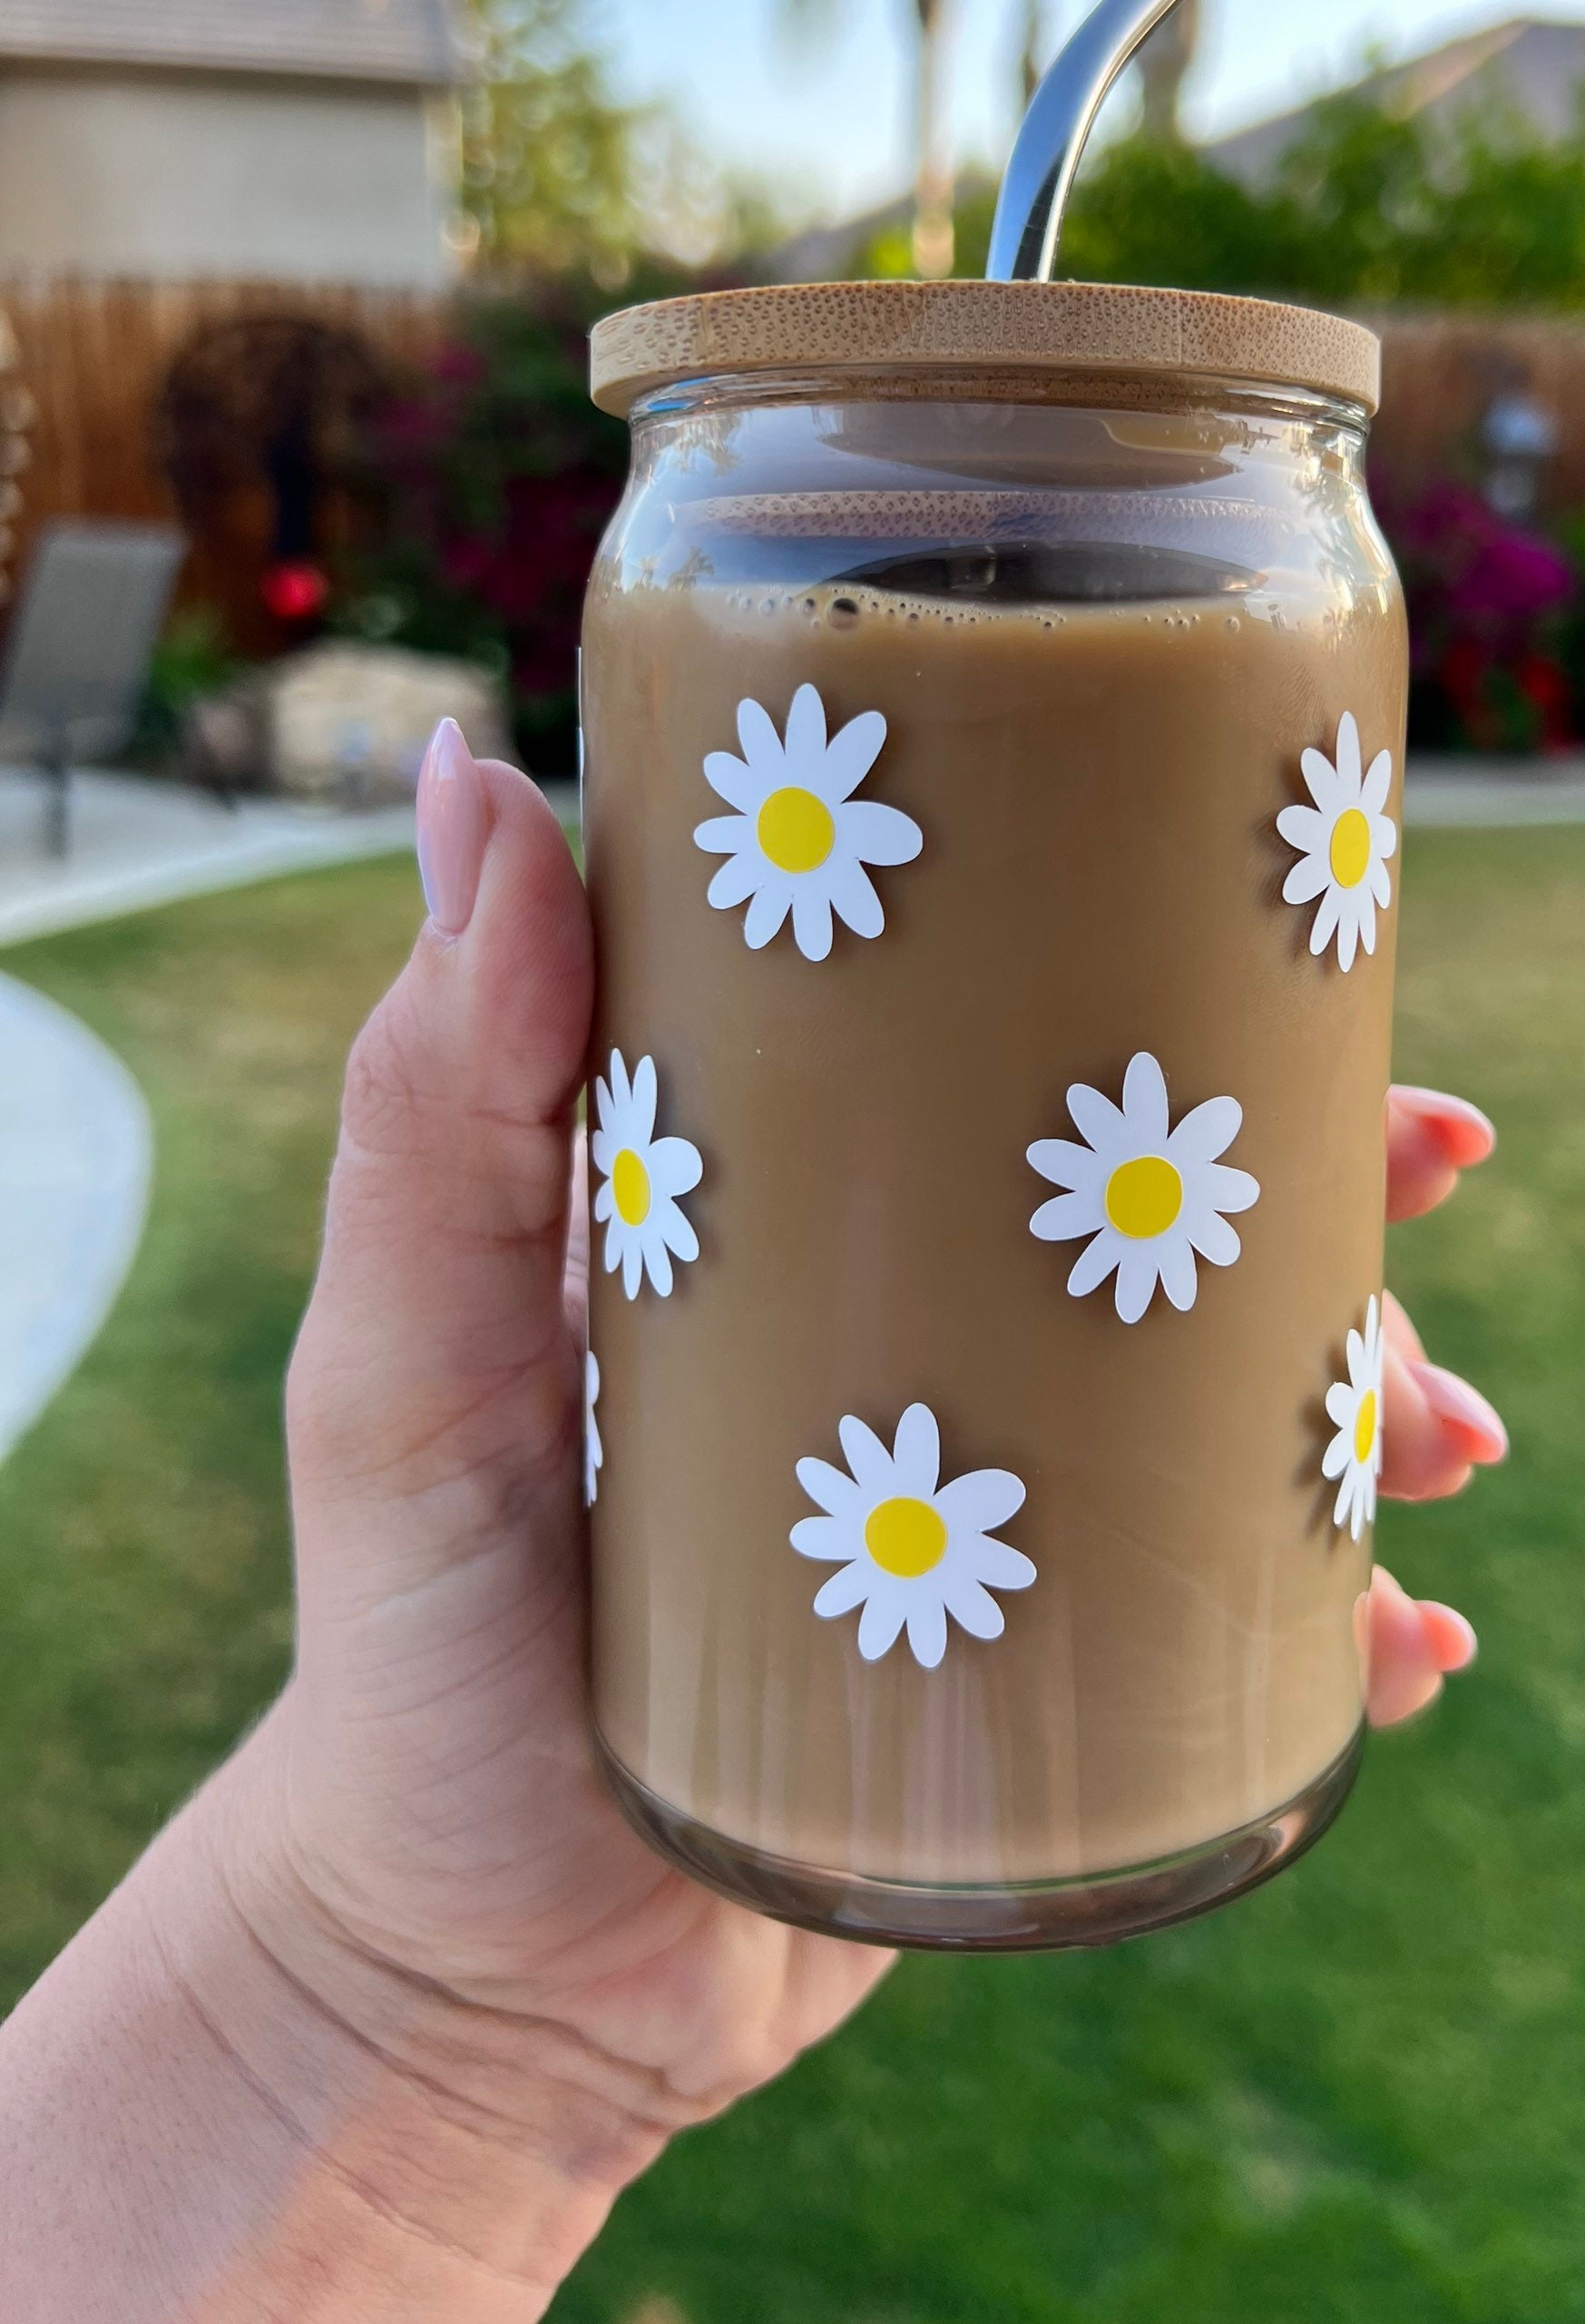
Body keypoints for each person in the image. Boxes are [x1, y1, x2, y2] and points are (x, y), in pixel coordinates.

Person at [0, 729, 1508, 2319]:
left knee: (1235, 1205)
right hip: (706, 1746)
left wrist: (419, 2023)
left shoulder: (1288, 559)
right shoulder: (724, 565)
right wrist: (397, 1993)